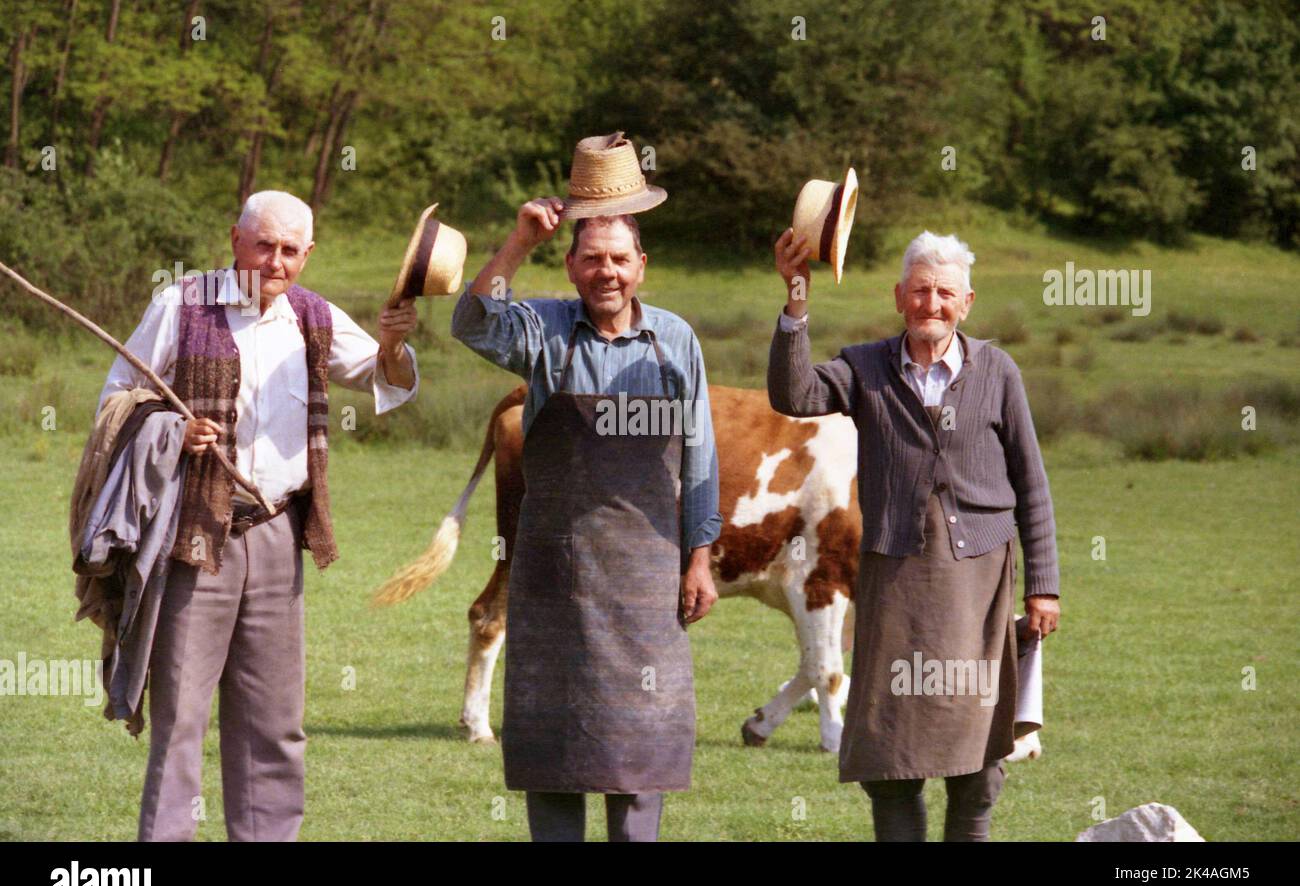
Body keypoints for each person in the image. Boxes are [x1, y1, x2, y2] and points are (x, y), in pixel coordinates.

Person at [99, 190, 420, 841]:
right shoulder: (181, 304)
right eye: (263, 245)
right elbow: (115, 400)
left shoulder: (310, 314)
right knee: (182, 718)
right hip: (196, 534)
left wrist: (391, 346)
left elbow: (384, 377)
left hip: (278, 535)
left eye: (290, 250)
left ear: (308, 253)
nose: (275, 261)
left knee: (275, 720)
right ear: (235, 240)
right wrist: (169, 429)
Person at [768, 227, 1061, 841]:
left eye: (945, 293)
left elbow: (1031, 485)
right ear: (899, 296)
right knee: (893, 756)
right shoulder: (865, 367)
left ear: (968, 301)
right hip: (895, 581)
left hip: (980, 585)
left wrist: (1044, 588)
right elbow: (793, 393)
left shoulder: (998, 370)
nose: (933, 303)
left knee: (977, 757)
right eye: (921, 291)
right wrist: (797, 301)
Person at [451, 197, 721, 841]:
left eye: (620, 259)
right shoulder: (543, 330)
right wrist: (519, 241)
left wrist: (700, 556)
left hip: (647, 577)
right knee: (553, 754)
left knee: (641, 754)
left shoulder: (675, 340)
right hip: (554, 579)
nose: (608, 272)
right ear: (570, 267)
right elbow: (470, 321)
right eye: (593, 259)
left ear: (642, 267)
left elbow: (701, 453)